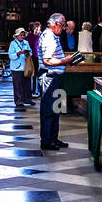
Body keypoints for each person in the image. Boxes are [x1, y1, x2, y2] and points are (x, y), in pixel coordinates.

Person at [38, 13, 78, 150]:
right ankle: (47, 141)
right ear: (55, 24)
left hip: (56, 76)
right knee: (49, 109)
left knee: (56, 109)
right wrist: (64, 61)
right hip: (50, 77)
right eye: (63, 25)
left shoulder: (53, 36)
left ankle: (53, 138)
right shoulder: (49, 37)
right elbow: (47, 60)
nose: (64, 27)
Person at [7, 26, 34, 111]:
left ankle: (27, 99)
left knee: (27, 83)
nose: (22, 36)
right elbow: (11, 55)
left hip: (25, 66)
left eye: (23, 35)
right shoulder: (13, 44)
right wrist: (18, 53)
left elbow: (31, 52)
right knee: (17, 85)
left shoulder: (26, 42)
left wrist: (27, 53)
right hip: (16, 68)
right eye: (20, 35)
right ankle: (18, 101)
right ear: (17, 36)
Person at [27, 22, 42, 98]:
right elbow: (37, 48)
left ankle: (29, 91)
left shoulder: (27, 37)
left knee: (29, 73)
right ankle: (35, 91)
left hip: (28, 57)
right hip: (35, 57)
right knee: (36, 74)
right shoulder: (37, 37)